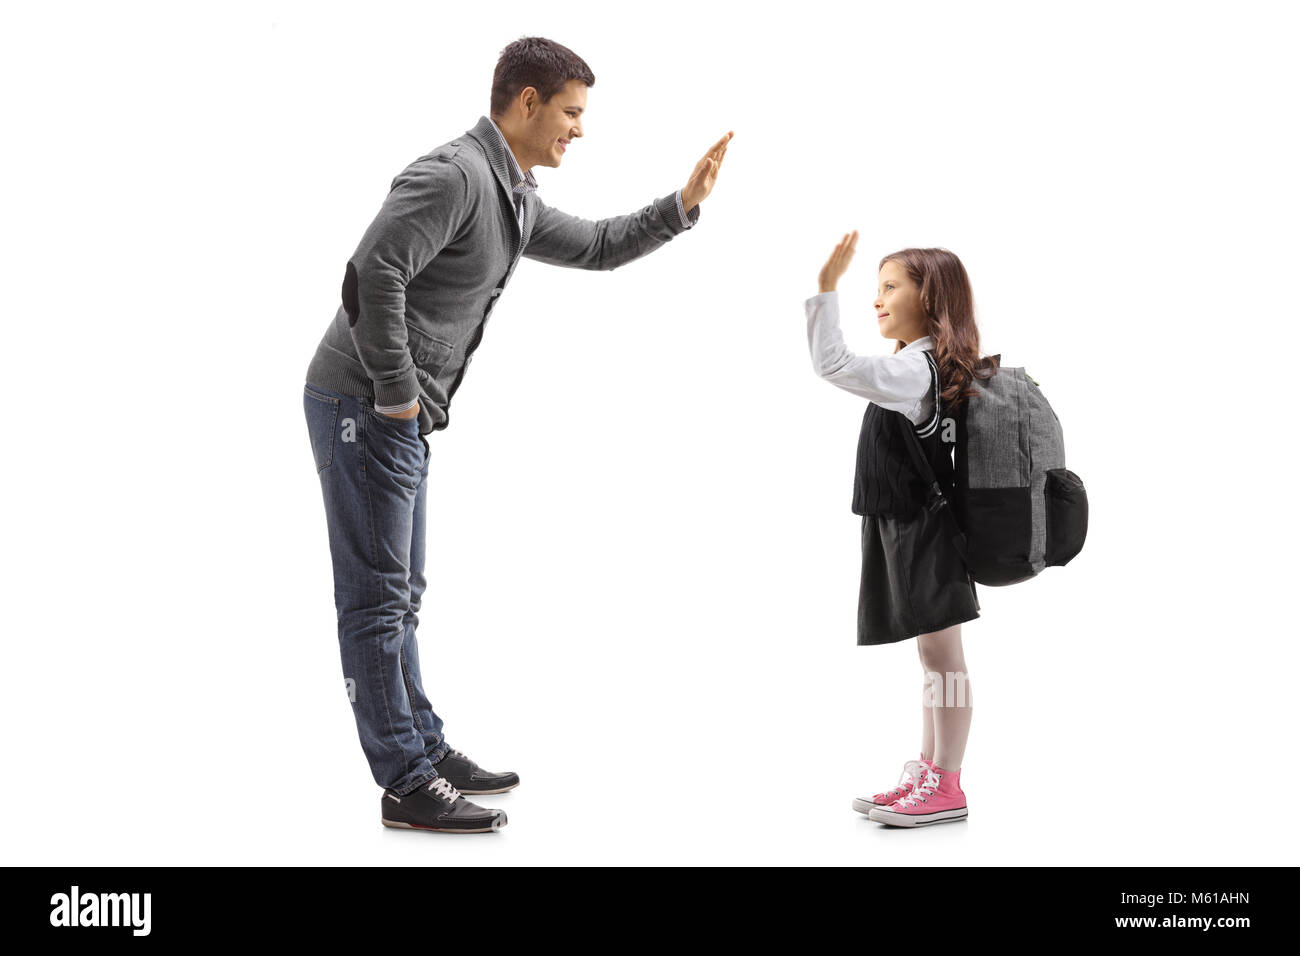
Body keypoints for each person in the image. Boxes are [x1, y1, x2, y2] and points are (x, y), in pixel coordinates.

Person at [302, 36, 732, 833]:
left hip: (394, 415)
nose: (579, 129)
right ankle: (403, 780)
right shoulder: (456, 175)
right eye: (571, 112)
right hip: (362, 408)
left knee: (402, 598)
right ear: (526, 102)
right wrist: (398, 396)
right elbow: (370, 275)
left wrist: (683, 204)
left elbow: (601, 246)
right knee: (374, 601)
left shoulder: (513, 193)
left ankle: (421, 747)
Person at [805, 231, 997, 828]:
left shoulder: (917, 370)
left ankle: (948, 783)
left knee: (944, 659)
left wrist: (824, 291)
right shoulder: (918, 365)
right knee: (934, 659)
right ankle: (931, 770)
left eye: (891, 286)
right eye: (876, 287)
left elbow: (832, 363)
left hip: (924, 530)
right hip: (913, 527)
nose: (878, 299)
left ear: (930, 296)